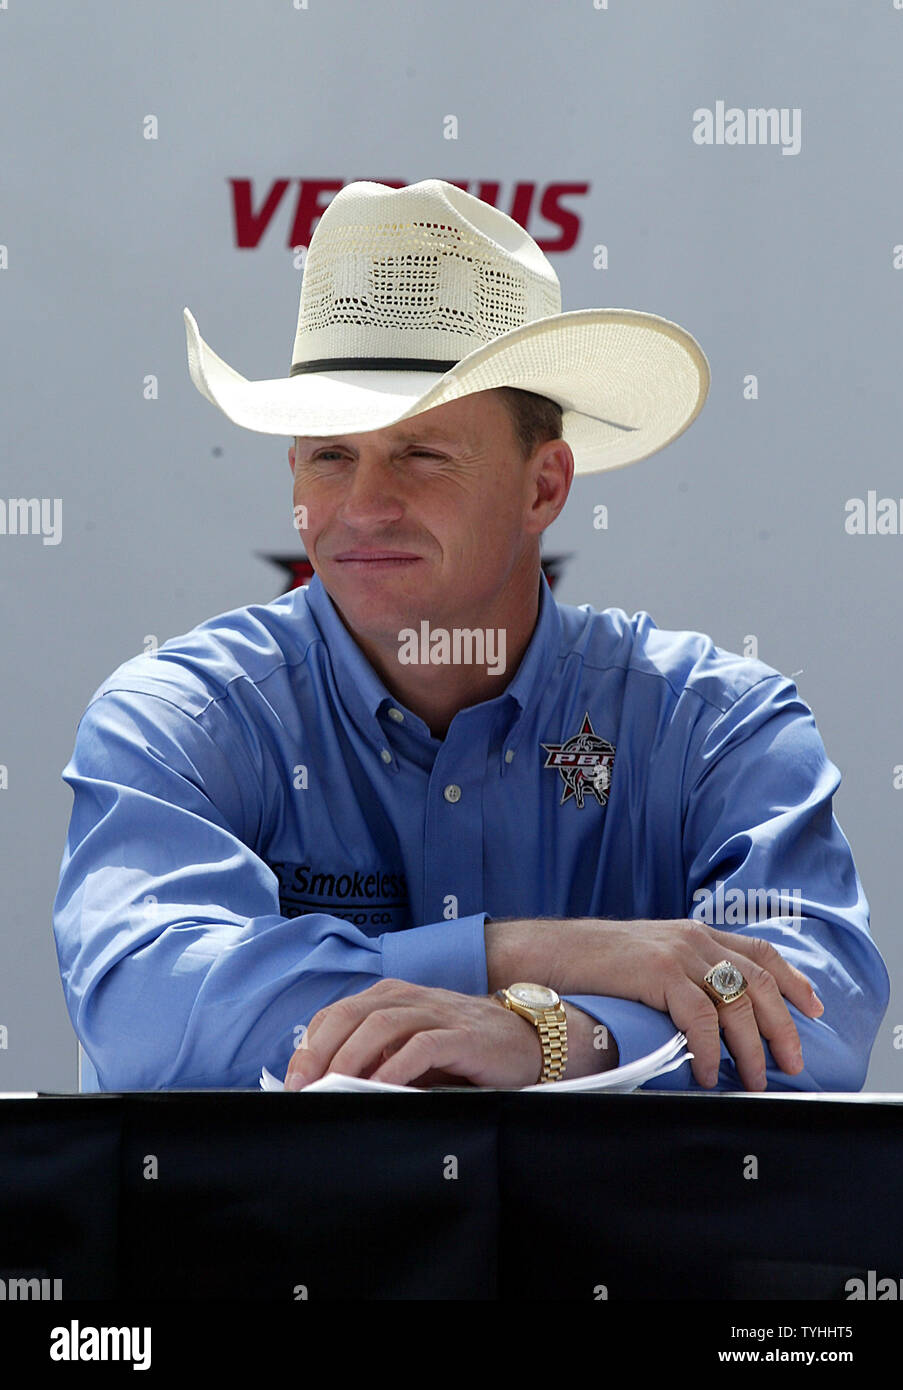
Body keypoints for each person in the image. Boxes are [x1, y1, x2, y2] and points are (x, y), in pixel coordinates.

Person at [53, 178, 889, 1094]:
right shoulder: (177, 717)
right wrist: (531, 955)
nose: (363, 507)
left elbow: (819, 1015)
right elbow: (146, 1010)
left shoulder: (717, 723)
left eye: (422, 453)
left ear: (543, 487)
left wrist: (555, 1037)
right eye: (330, 454)